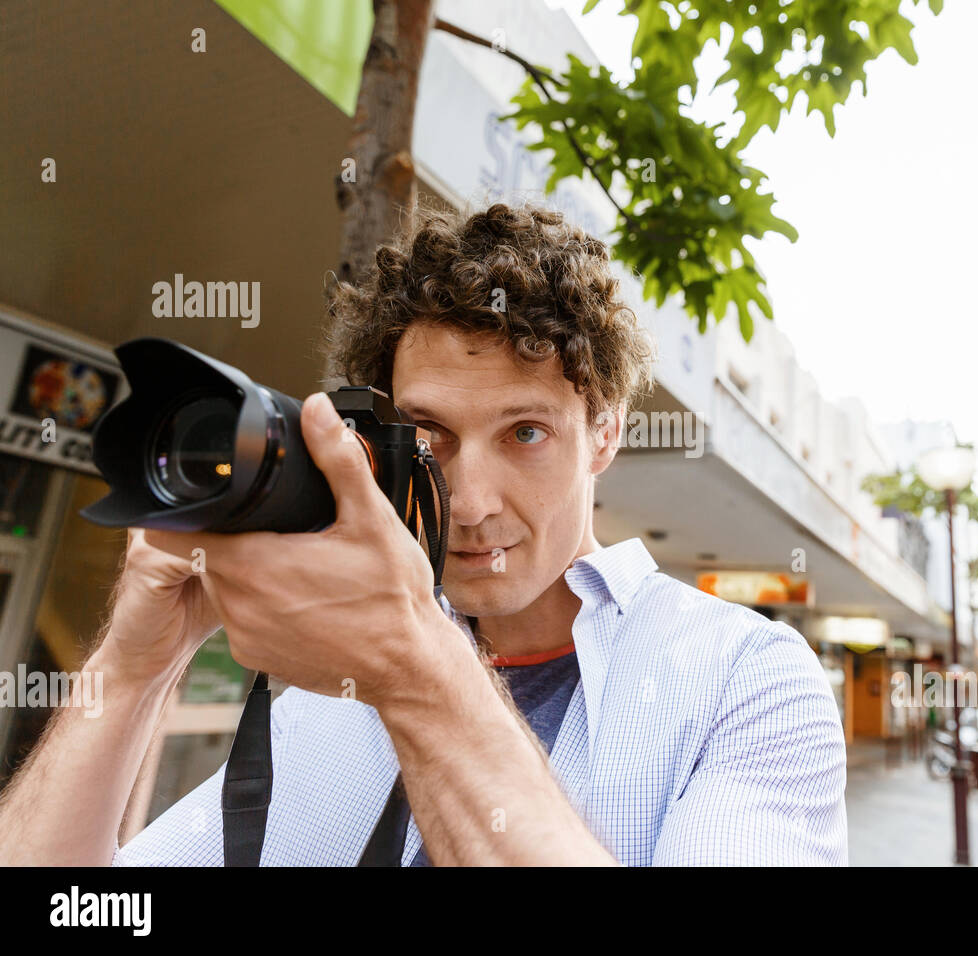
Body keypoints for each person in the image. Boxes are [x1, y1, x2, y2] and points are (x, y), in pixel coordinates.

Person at [0, 203, 847, 866]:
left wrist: (414, 668)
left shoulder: (746, 680)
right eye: (431, 437)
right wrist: (135, 664)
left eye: (525, 432)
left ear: (605, 434)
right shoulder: (326, 703)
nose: (471, 502)